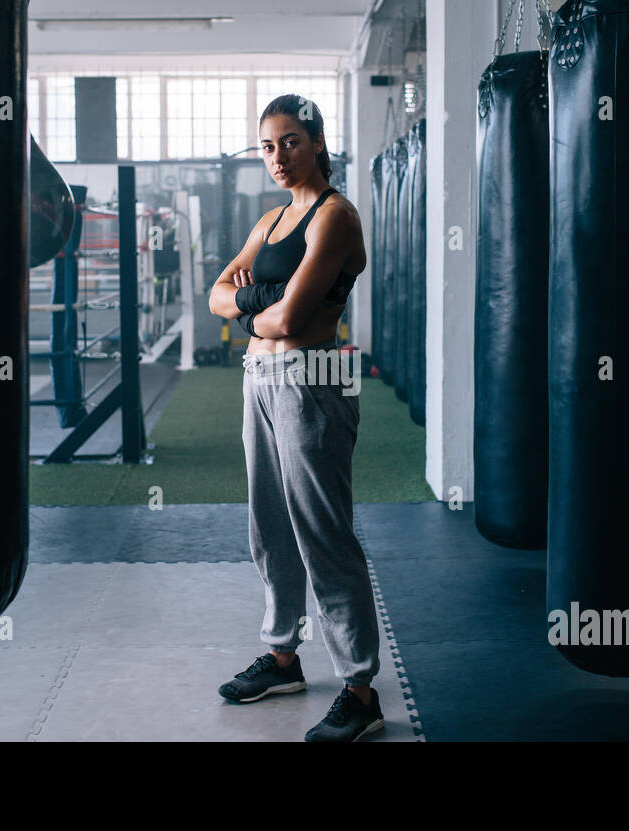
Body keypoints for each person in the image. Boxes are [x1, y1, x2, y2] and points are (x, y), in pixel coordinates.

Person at [207, 94, 380, 742]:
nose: (277, 156)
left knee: (323, 536)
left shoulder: (335, 216)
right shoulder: (273, 219)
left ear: (316, 142)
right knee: (270, 529)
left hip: (312, 381)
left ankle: (361, 690)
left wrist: (251, 303)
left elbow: (289, 317)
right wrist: (260, 301)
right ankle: (283, 655)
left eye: (289, 141)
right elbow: (215, 292)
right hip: (259, 380)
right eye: (267, 146)